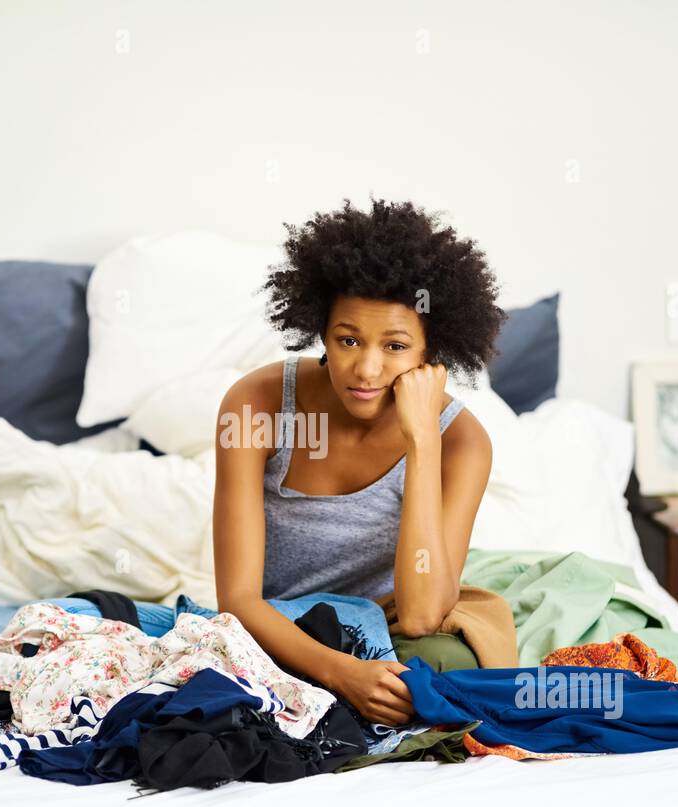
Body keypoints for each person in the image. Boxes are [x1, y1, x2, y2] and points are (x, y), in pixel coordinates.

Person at [211, 197, 507, 725]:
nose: (365, 369)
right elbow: (238, 599)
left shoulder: (461, 442)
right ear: (321, 330)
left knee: (446, 665)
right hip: (273, 631)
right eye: (348, 339)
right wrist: (340, 673)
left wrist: (422, 442)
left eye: (395, 346)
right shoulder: (256, 404)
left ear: (430, 352)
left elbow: (421, 616)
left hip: (388, 632)